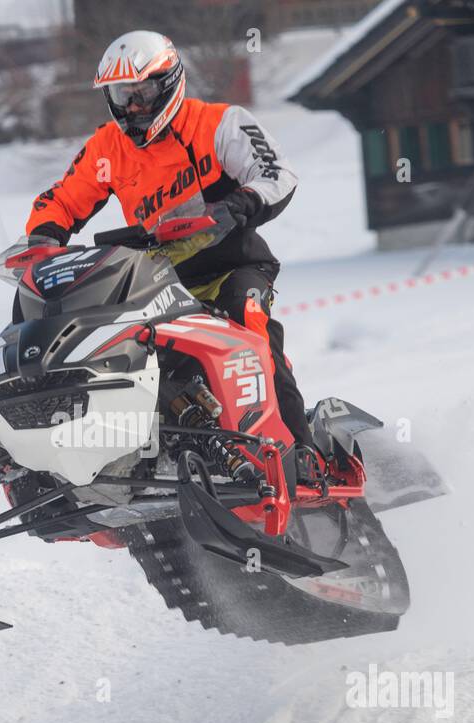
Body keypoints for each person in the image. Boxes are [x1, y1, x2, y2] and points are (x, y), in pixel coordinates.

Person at [22, 30, 313, 449]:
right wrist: (43, 238)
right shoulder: (108, 147)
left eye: (141, 92)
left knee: (248, 321)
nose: (133, 107)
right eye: (122, 96)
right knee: (113, 346)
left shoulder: (218, 123)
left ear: (169, 83)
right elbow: (62, 199)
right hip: (153, 282)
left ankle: (297, 451)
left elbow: (276, 174)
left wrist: (239, 204)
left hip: (231, 265)